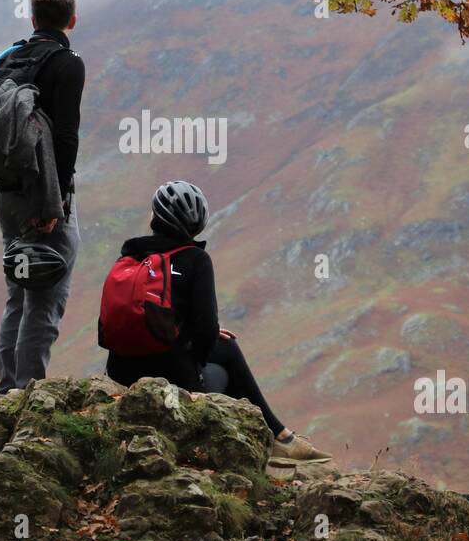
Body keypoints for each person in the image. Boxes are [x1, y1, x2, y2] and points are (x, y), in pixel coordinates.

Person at [102, 180, 332, 463]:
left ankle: (271, 439)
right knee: (228, 351)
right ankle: (275, 439)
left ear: (155, 217)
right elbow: (204, 333)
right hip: (175, 384)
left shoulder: (130, 257)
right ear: (196, 225)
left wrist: (188, 335)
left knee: (221, 346)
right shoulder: (195, 259)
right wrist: (197, 352)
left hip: (120, 375)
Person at [0, 0, 85, 393]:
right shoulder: (67, 63)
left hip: (6, 191)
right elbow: (65, 137)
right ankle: (28, 394)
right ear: (72, 21)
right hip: (44, 193)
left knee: (18, 289)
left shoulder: (8, 58)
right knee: (46, 293)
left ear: (32, 19)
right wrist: (56, 203)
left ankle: (6, 388)